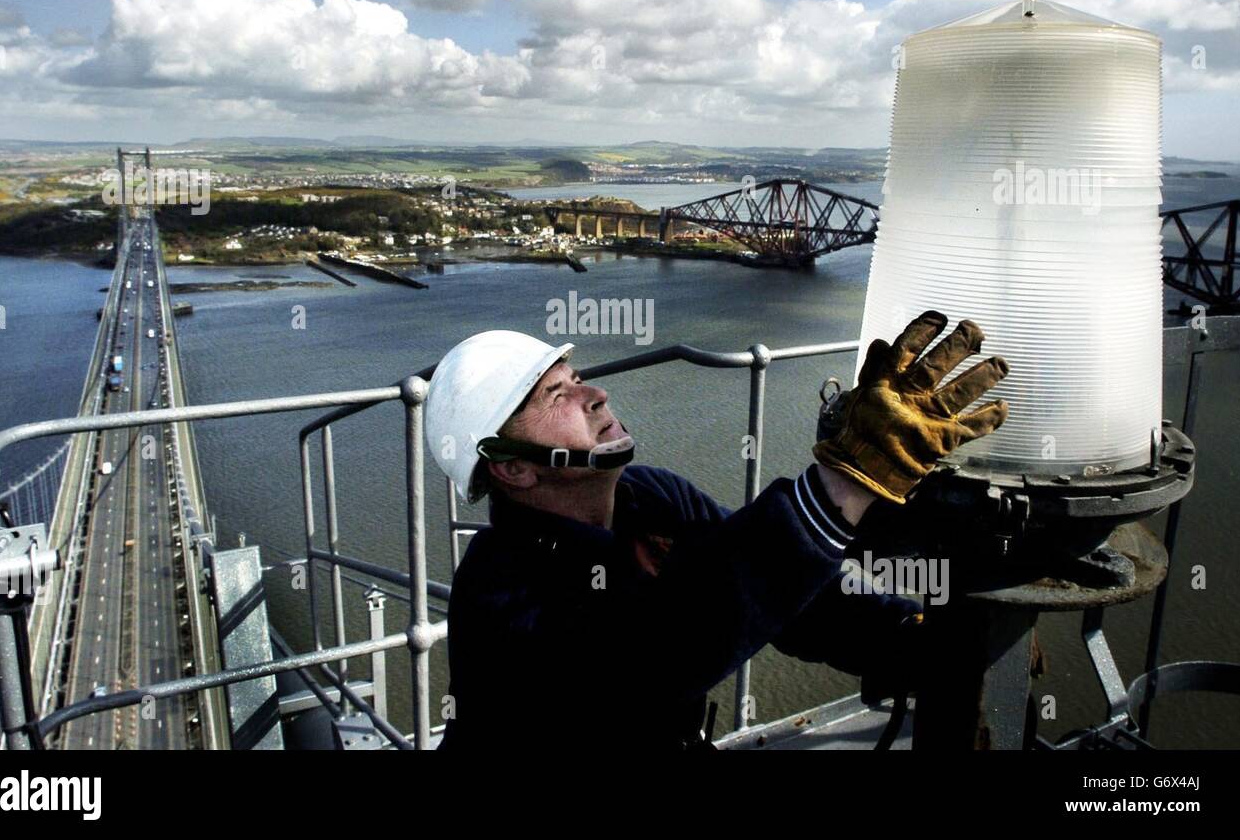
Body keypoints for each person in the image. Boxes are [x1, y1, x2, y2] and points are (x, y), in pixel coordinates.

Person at [424, 311, 1010, 750]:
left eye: (576, 377)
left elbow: (784, 599)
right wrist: (846, 486)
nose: (595, 394)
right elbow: (660, 655)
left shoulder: (648, 497)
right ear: (514, 467)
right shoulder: (500, 591)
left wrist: (906, 636)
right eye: (557, 394)